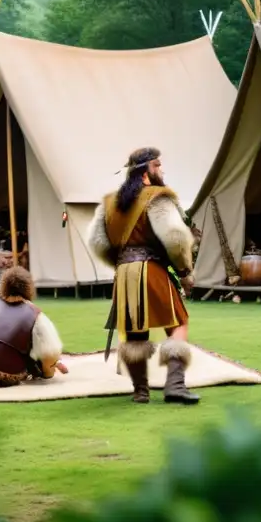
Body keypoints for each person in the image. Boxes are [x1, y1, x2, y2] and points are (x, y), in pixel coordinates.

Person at [87, 147, 200, 405]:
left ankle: (141, 391)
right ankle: (175, 385)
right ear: (146, 172)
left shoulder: (109, 203)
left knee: (135, 334)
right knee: (178, 322)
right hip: (152, 269)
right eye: (158, 165)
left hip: (124, 274)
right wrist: (184, 272)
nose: (162, 170)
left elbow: (97, 242)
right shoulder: (158, 197)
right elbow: (175, 237)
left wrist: (121, 263)